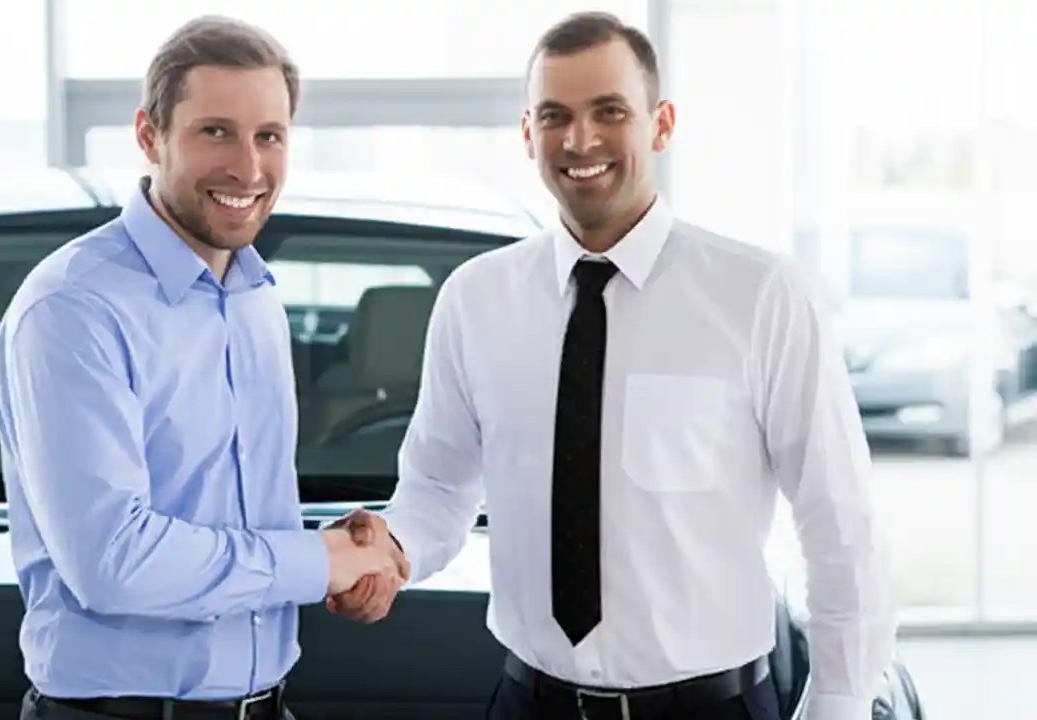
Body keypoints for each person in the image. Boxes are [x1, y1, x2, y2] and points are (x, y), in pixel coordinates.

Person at [329, 11, 897, 720]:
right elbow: (439, 488)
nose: (581, 139)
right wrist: (391, 550)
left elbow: (839, 524)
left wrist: (838, 703)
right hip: (528, 702)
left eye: (610, 112)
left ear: (659, 124)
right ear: (528, 134)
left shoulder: (759, 296)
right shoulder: (475, 299)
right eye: (555, 115)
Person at [0, 15, 406, 720]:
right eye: (216, 131)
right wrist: (316, 562)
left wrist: (343, 555)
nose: (248, 168)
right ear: (150, 135)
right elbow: (113, 560)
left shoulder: (256, 300)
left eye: (269, 136)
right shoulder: (74, 308)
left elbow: (229, 508)